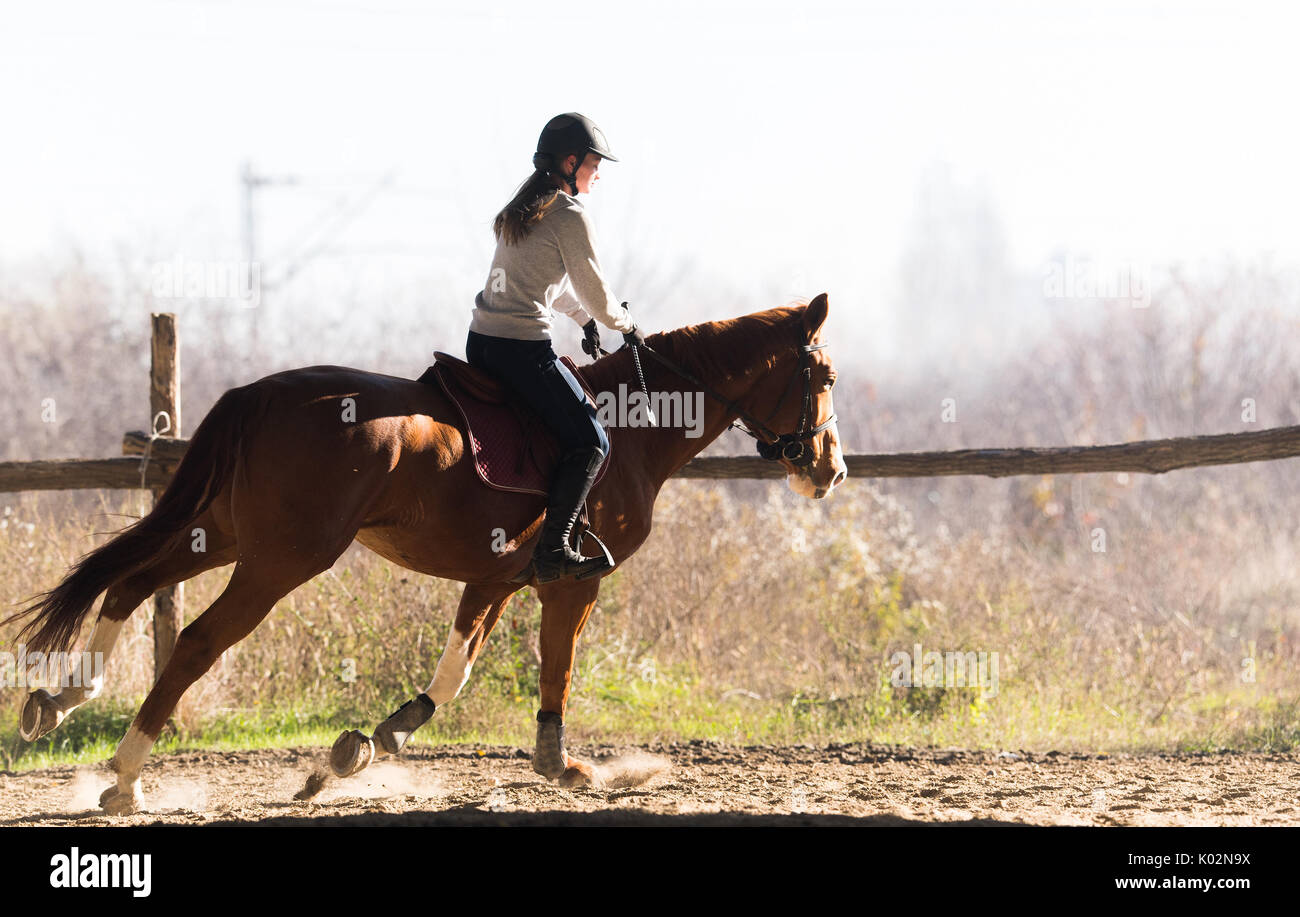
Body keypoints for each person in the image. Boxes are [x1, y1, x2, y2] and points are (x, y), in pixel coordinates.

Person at [467, 112, 646, 582]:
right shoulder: (569, 215)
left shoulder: (525, 206)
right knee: (592, 440)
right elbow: (596, 289)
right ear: (570, 162)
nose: (598, 173)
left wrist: (584, 319)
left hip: (482, 343)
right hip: (521, 349)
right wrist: (623, 324)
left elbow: (540, 287)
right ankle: (554, 551)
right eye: (593, 163)